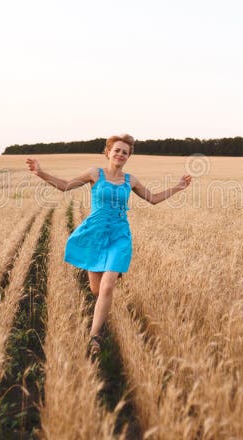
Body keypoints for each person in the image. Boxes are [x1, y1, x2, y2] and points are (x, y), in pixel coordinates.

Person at [25, 133, 191, 357]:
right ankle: (105, 301)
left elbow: (152, 198)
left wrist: (178, 187)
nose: (121, 154)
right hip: (95, 234)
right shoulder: (95, 173)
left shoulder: (130, 180)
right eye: (117, 150)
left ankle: (94, 336)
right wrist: (40, 172)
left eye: (125, 152)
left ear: (128, 156)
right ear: (108, 152)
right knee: (97, 289)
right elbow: (65, 186)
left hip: (119, 235)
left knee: (108, 285)